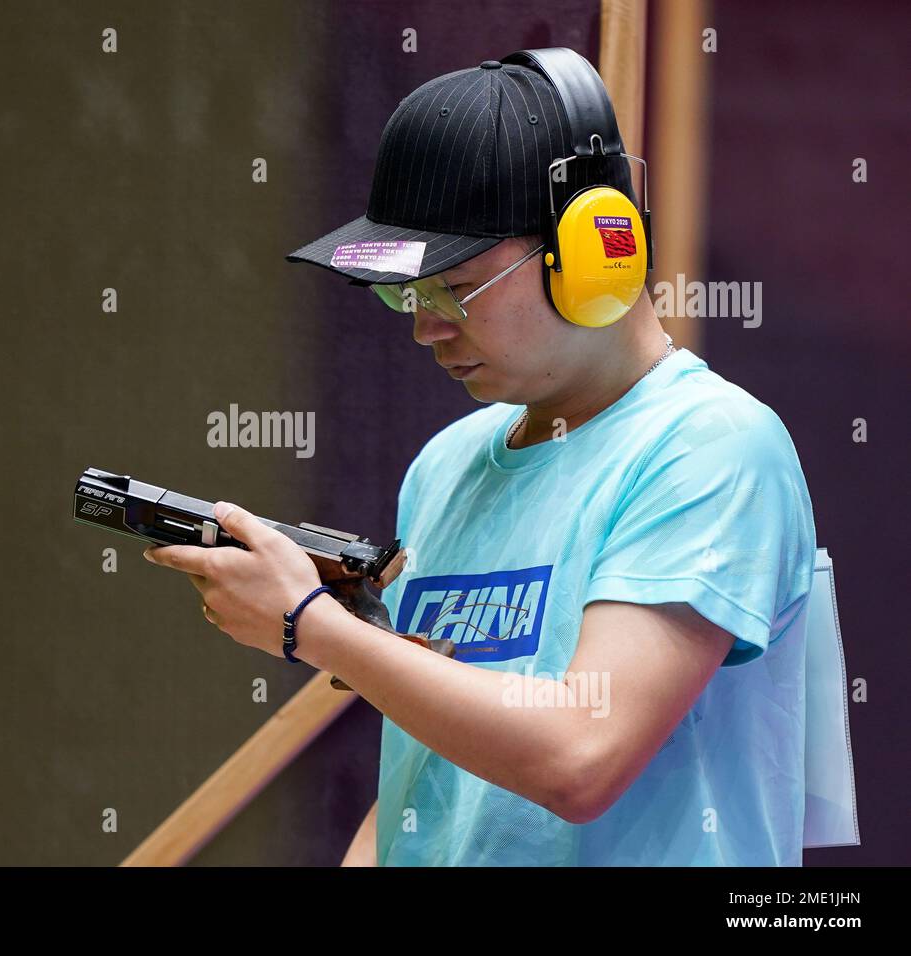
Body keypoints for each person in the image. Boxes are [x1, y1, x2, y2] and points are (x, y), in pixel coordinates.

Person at [143, 50, 817, 866]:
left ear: (593, 249)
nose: (426, 327)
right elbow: (432, 779)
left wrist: (308, 624)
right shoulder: (447, 465)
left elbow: (579, 758)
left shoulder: (710, 448)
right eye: (406, 293)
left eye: (453, 287)